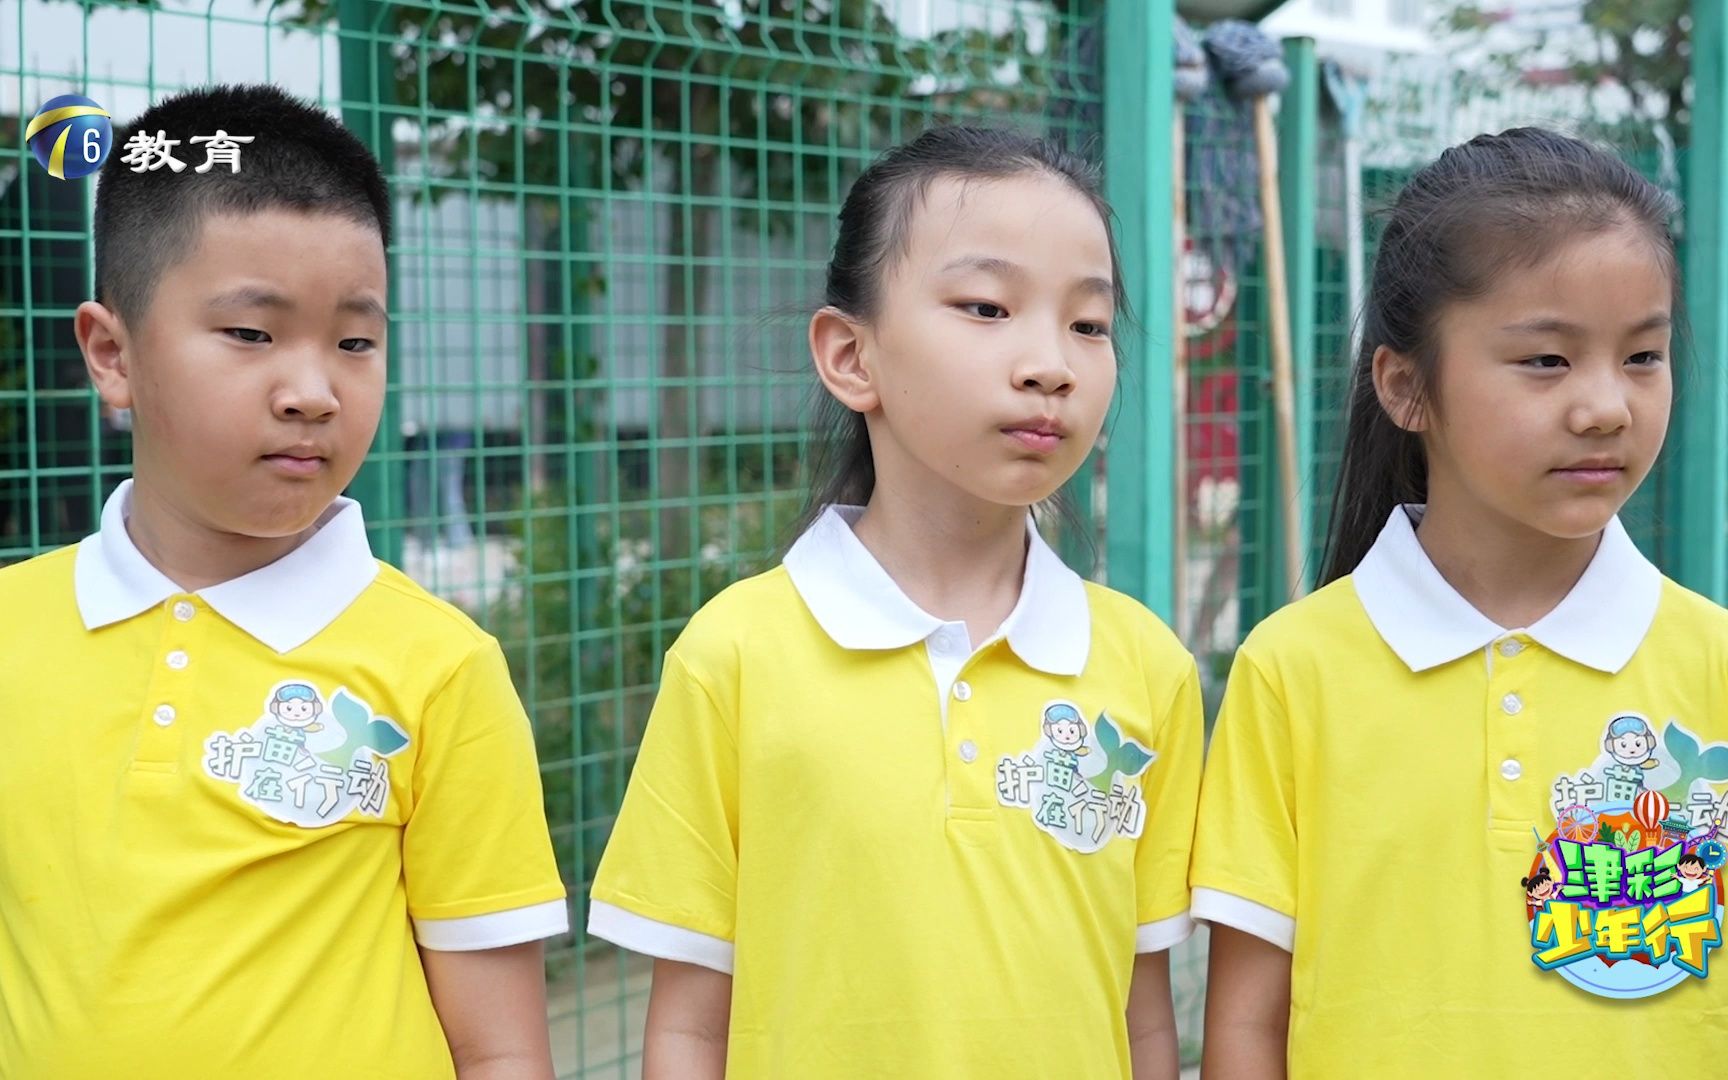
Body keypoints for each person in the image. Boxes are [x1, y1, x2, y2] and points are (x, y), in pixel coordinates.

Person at [588, 126, 1203, 1078]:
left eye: (1088, 323)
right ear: (850, 356)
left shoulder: (1145, 665)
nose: (1052, 363)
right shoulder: (736, 656)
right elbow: (688, 1028)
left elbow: (1144, 1017)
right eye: (988, 306)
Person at [0, 84, 567, 1077]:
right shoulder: (14, 632)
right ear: (111, 353)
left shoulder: (439, 668)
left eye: (355, 341)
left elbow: (501, 1050)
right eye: (252, 335)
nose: (313, 392)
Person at [1192, 128, 1728, 1077]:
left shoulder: (1711, 665)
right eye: (1546, 361)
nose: (1607, 405)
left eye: (1642, 355)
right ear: (1406, 385)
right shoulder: (1295, 671)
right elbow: (1246, 1025)